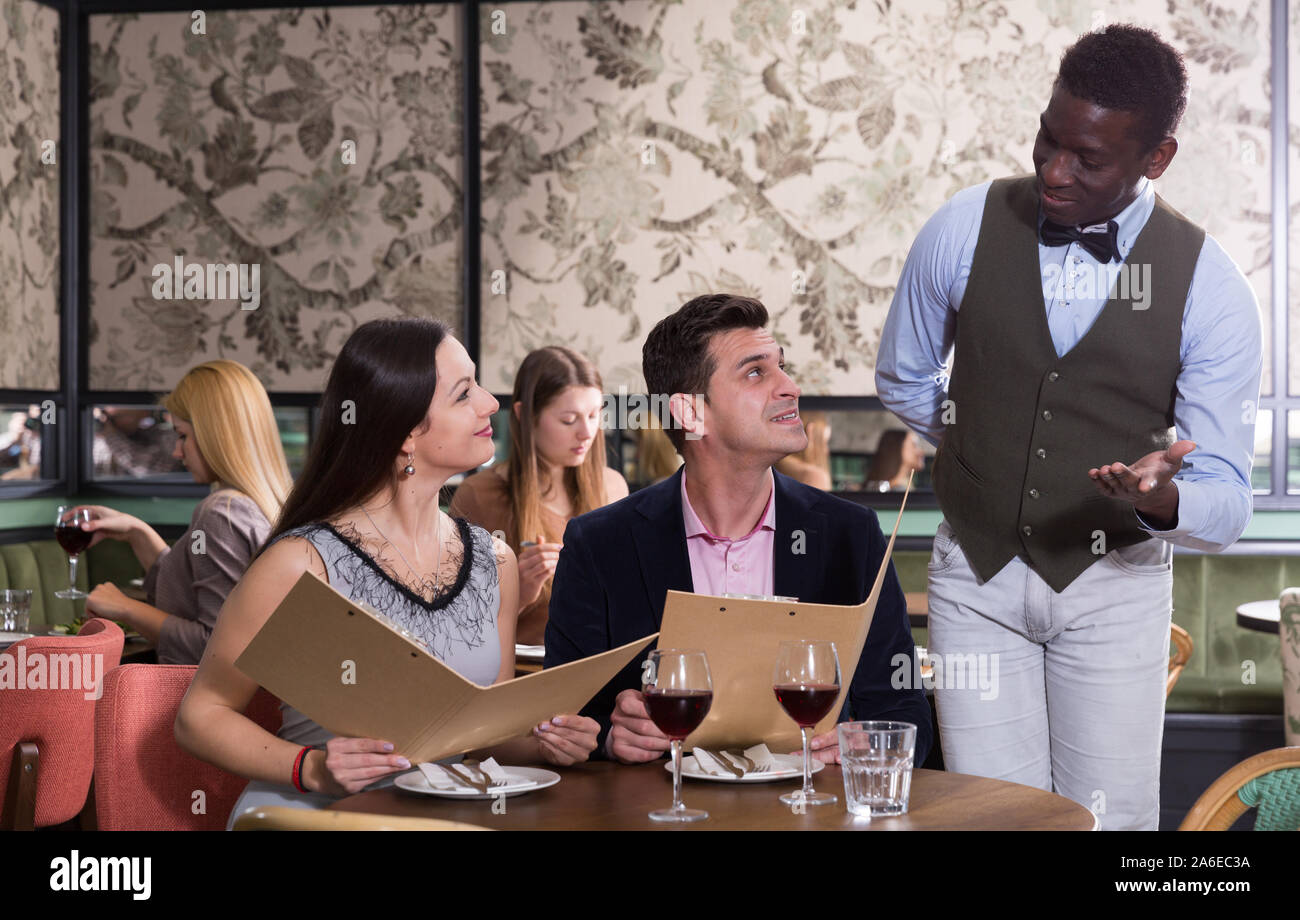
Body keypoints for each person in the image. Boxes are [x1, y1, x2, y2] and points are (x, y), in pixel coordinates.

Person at [875, 25, 1262, 830]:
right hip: (974, 581)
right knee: (988, 821)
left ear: (1156, 159)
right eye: (1048, 141)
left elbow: (1225, 500)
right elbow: (904, 378)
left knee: (1110, 825)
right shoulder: (962, 225)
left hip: (1114, 589)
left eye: (1087, 160)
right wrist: (984, 449)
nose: (1054, 170)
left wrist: (1159, 502)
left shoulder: (1212, 288)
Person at [173, 319, 600, 826]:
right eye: (464, 393)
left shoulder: (495, 562)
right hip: (318, 819)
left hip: (440, 820)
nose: (489, 403)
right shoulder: (300, 563)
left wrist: (545, 745)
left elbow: (488, 739)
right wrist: (309, 767)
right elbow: (199, 716)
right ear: (404, 434)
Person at [545, 294, 932, 766]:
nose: (789, 387)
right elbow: (562, 721)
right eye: (755, 372)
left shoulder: (850, 536)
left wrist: (863, 742)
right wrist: (610, 737)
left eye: (782, 367)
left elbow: (905, 712)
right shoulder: (599, 545)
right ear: (690, 413)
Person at [73, 360, 291, 665]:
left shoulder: (221, 512)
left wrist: (124, 607)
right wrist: (139, 533)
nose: (177, 452)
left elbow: (214, 648)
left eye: (182, 435)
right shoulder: (268, 504)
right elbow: (193, 597)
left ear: (217, 435)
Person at [448, 347, 628, 645]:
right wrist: (516, 593)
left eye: (594, 415)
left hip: (600, 674)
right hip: (521, 677)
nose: (587, 433)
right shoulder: (479, 496)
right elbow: (458, 629)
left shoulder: (613, 487)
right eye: (569, 420)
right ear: (524, 415)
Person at [775, 410, 833, 490]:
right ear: (810, 431)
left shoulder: (772, 466)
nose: (826, 450)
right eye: (824, 442)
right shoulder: (815, 476)